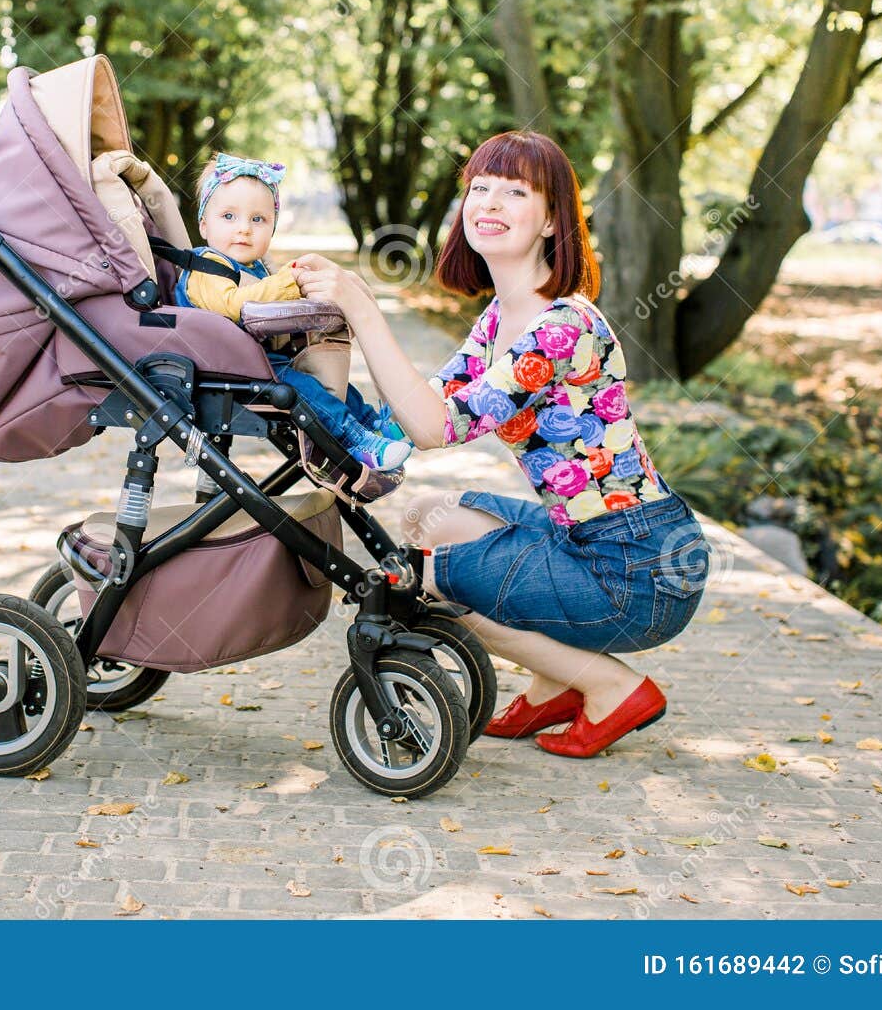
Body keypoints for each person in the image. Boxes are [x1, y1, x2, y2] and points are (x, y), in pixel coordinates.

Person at [291, 131, 710, 758]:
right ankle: (554, 684)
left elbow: (439, 429)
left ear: (551, 219)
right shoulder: (500, 318)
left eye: (515, 191)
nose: (488, 202)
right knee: (422, 518)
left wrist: (363, 308)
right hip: (590, 539)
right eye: (479, 188)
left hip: (638, 570)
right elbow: (418, 410)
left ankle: (611, 686)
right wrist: (350, 440)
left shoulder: (562, 328)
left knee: (424, 581)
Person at [174, 152, 412, 472]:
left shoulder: (254, 268)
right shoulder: (207, 265)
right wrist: (288, 283)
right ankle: (353, 439)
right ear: (204, 223)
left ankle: (369, 422)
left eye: (257, 219)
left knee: (325, 379)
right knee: (303, 387)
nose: (243, 229)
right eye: (229, 217)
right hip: (223, 365)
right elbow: (236, 305)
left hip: (256, 360)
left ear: (272, 228)